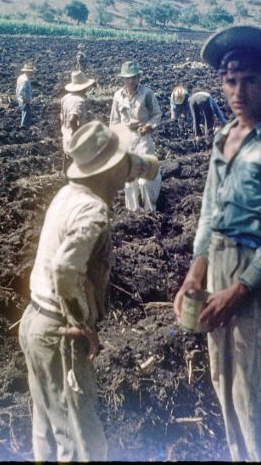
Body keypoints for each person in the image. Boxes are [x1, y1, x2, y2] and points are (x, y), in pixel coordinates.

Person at [173, 25, 261, 461]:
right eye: (230, 80)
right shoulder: (220, 138)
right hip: (218, 266)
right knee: (222, 377)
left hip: (256, 275)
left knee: (253, 389)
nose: (238, 89)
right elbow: (209, 209)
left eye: (249, 79)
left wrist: (241, 288)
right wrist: (197, 269)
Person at [19, 121, 159, 461]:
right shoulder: (92, 211)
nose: (128, 167)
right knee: (78, 439)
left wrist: (144, 165)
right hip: (60, 333)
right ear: (109, 170)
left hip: (35, 322)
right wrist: (82, 322)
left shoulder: (70, 193)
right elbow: (65, 270)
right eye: (122, 162)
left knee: (47, 428)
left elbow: (140, 167)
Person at [109, 60, 163, 211]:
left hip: (143, 139)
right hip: (126, 141)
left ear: (139, 77)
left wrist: (149, 126)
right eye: (127, 78)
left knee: (145, 180)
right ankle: (134, 214)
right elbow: (113, 122)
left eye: (133, 77)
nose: (131, 81)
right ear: (123, 79)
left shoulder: (147, 93)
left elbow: (157, 115)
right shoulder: (118, 96)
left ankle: (150, 210)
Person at [60, 70, 96, 154]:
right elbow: (72, 119)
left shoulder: (65, 98)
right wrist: (77, 136)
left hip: (66, 137)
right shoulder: (79, 101)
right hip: (75, 142)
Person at [16, 62, 35, 129]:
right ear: (28, 72)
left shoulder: (20, 77)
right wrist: (29, 102)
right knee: (25, 117)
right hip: (24, 101)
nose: (32, 73)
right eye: (31, 72)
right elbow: (22, 93)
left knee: (24, 115)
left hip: (20, 100)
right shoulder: (25, 80)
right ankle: (23, 131)